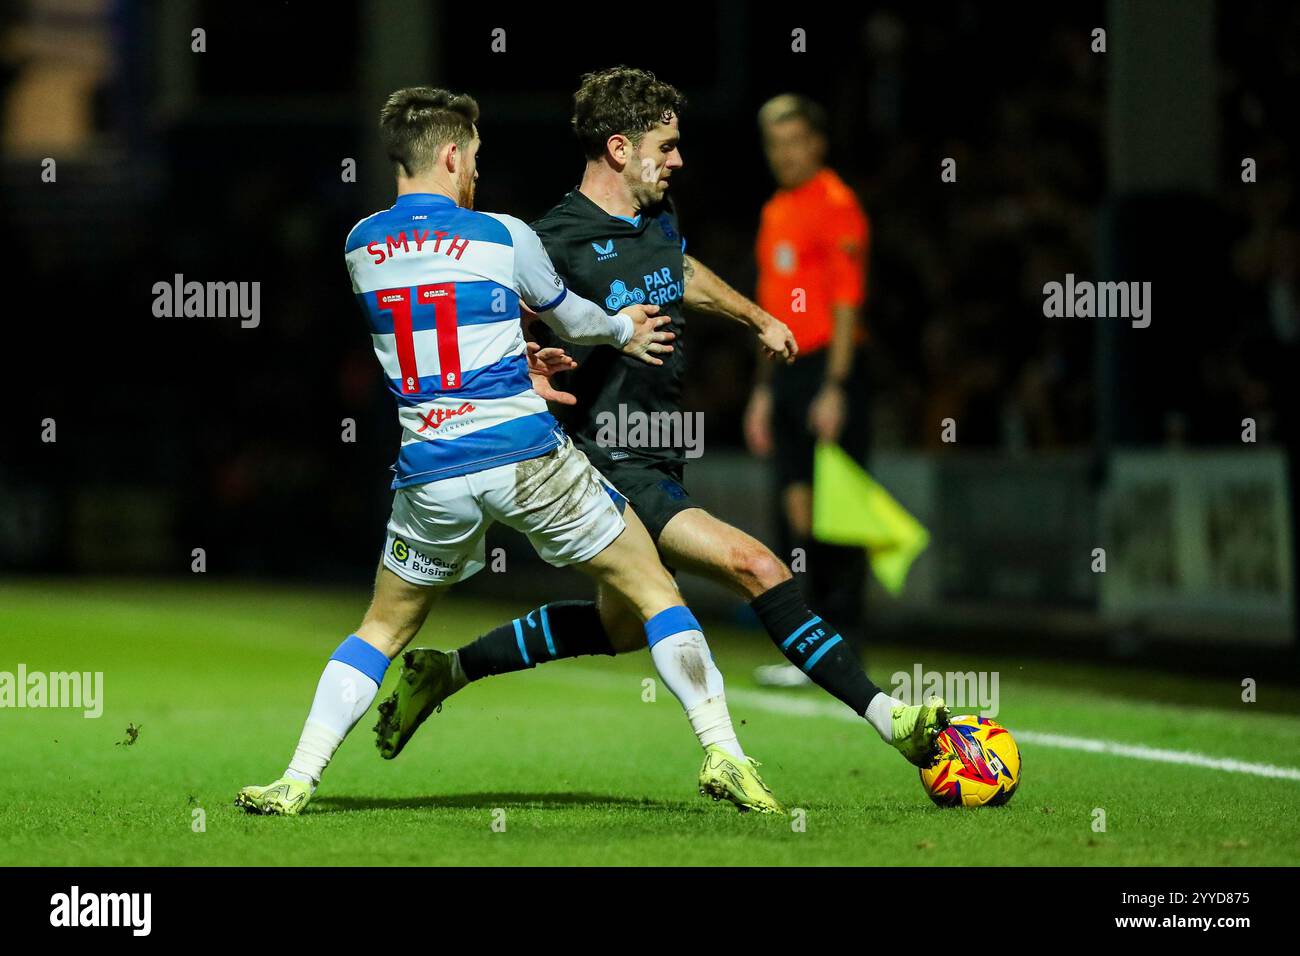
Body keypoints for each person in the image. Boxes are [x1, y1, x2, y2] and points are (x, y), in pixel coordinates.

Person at [378, 69, 947, 773]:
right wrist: (524, 367)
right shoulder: (553, 238)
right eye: (667, 145)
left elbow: (677, 271)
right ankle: (896, 722)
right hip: (603, 458)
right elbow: (488, 324)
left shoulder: (656, 217)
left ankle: (448, 671)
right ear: (619, 148)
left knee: (620, 628)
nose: (679, 160)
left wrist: (757, 317)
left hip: (658, 451)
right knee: (757, 564)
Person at [235, 85, 781, 817]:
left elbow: (440, 325)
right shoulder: (503, 235)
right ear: (453, 154)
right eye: (475, 160)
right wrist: (623, 330)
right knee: (654, 590)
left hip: (430, 471)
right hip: (525, 454)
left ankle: (296, 780)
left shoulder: (359, 243)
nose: (477, 175)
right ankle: (725, 753)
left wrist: (508, 352)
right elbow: (576, 318)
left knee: (383, 627)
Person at [746, 93, 873, 687]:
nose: (785, 154)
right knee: (795, 509)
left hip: (830, 367)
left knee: (836, 513)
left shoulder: (837, 205)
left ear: (817, 144)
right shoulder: (775, 210)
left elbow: (847, 302)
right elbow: (770, 308)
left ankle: (845, 642)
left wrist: (837, 386)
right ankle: (811, 645)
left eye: (795, 141)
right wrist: (764, 391)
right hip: (789, 370)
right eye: (775, 144)